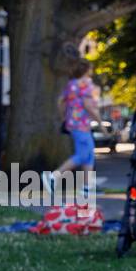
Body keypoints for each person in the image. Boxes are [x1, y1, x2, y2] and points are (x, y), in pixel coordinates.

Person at [51, 61, 103, 193]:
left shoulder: (71, 84)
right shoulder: (86, 83)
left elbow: (60, 101)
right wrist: (100, 124)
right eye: (91, 69)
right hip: (82, 125)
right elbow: (88, 106)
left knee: (89, 154)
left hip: (74, 124)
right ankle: (53, 176)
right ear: (86, 70)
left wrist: (64, 116)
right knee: (82, 155)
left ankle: (87, 187)